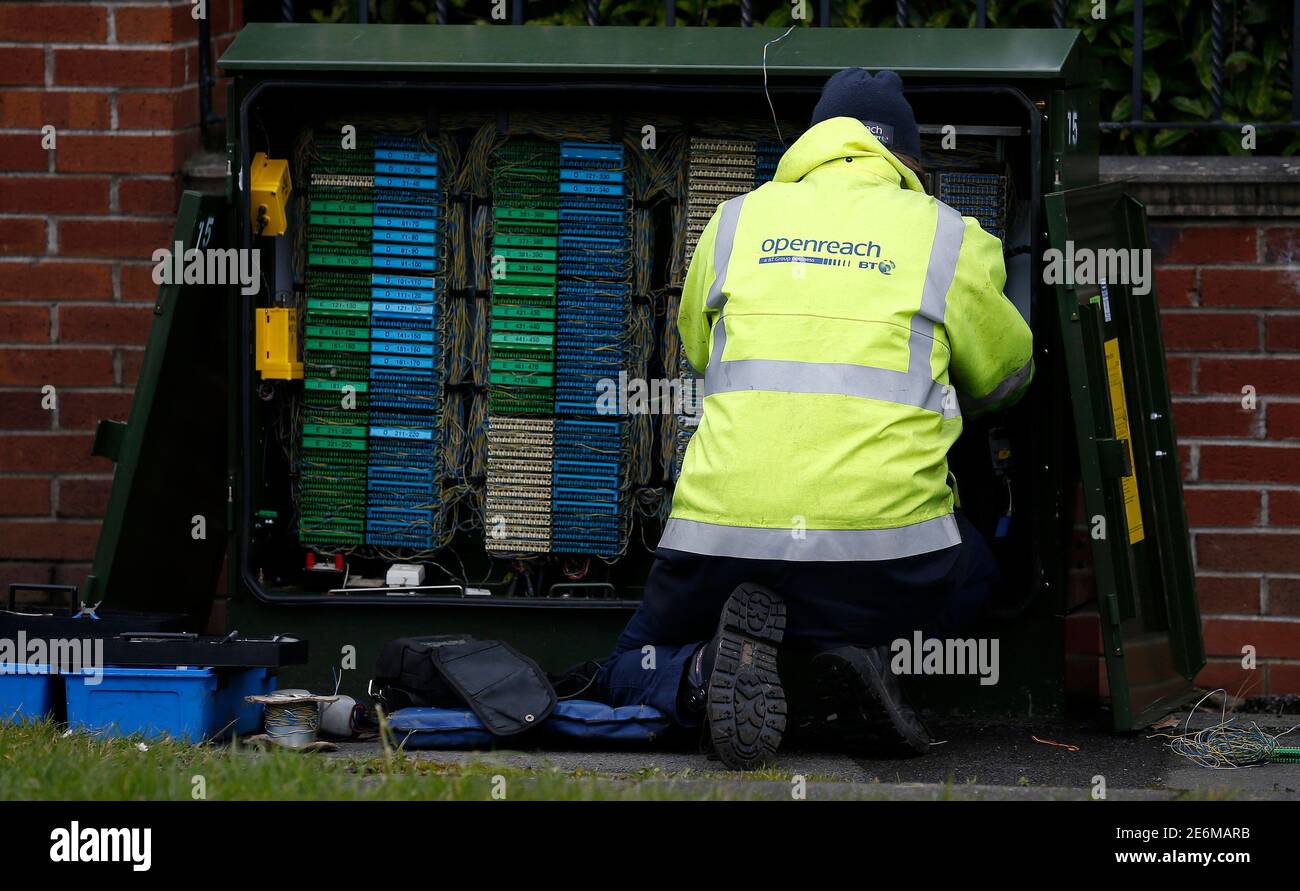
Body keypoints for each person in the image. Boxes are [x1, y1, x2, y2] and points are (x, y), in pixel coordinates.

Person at [595, 68, 1034, 769]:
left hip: (717, 544)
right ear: (908, 160)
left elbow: (701, 351)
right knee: (986, 572)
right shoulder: (946, 235)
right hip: (888, 561)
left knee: (623, 666)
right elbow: (1009, 378)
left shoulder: (735, 221)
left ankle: (709, 671)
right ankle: (848, 660)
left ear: (812, 144)